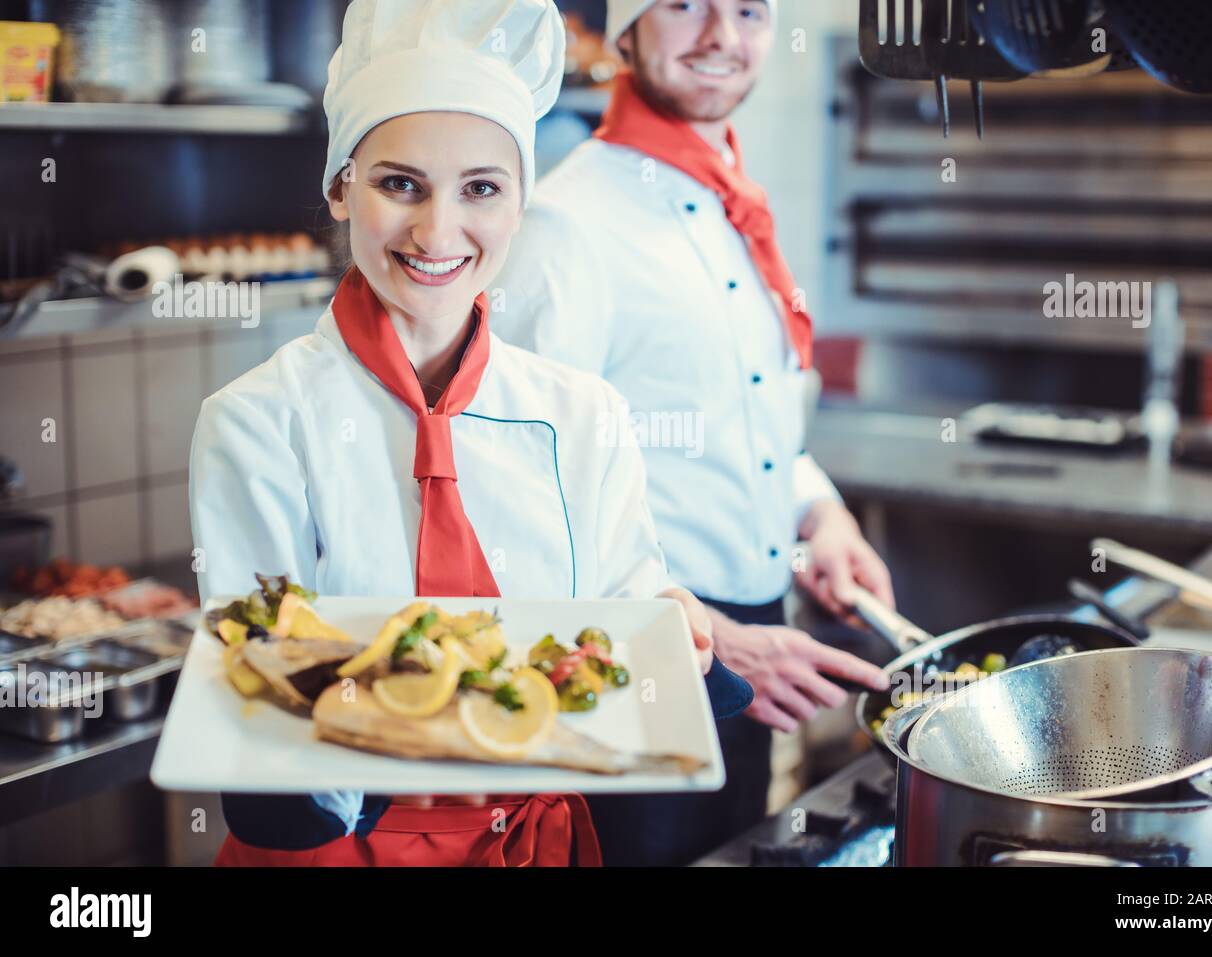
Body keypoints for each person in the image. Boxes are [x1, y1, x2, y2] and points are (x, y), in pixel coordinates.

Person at [188, 0, 740, 867]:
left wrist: (666, 627)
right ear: (340, 186)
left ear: (522, 200)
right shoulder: (258, 421)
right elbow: (262, 691)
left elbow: (620, 624)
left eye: (481, 187)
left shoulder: (585, 414)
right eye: (399, 183)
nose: (438, 232)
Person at [492, 0, 893, 865]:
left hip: (750, 653)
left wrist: (819, 514)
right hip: (627, 665)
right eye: (684, 5)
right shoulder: (565, 228)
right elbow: (520, 497)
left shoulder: (728, 199)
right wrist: (704, 638)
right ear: (625, 30)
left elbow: (742, 416)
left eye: (749, 11)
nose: (721, 35)